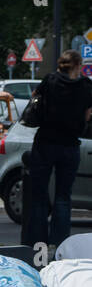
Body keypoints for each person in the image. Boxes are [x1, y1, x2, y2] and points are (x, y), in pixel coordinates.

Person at [26, 50, 92, 248]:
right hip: (70, 146)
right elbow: (88, 115)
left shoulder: (49, 81)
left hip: (45, 142)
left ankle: (38, 245)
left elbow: (35, 100)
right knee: (63, 197)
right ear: (78, 66)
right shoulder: (86, 86)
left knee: (39, 196)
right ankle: (59, 245)